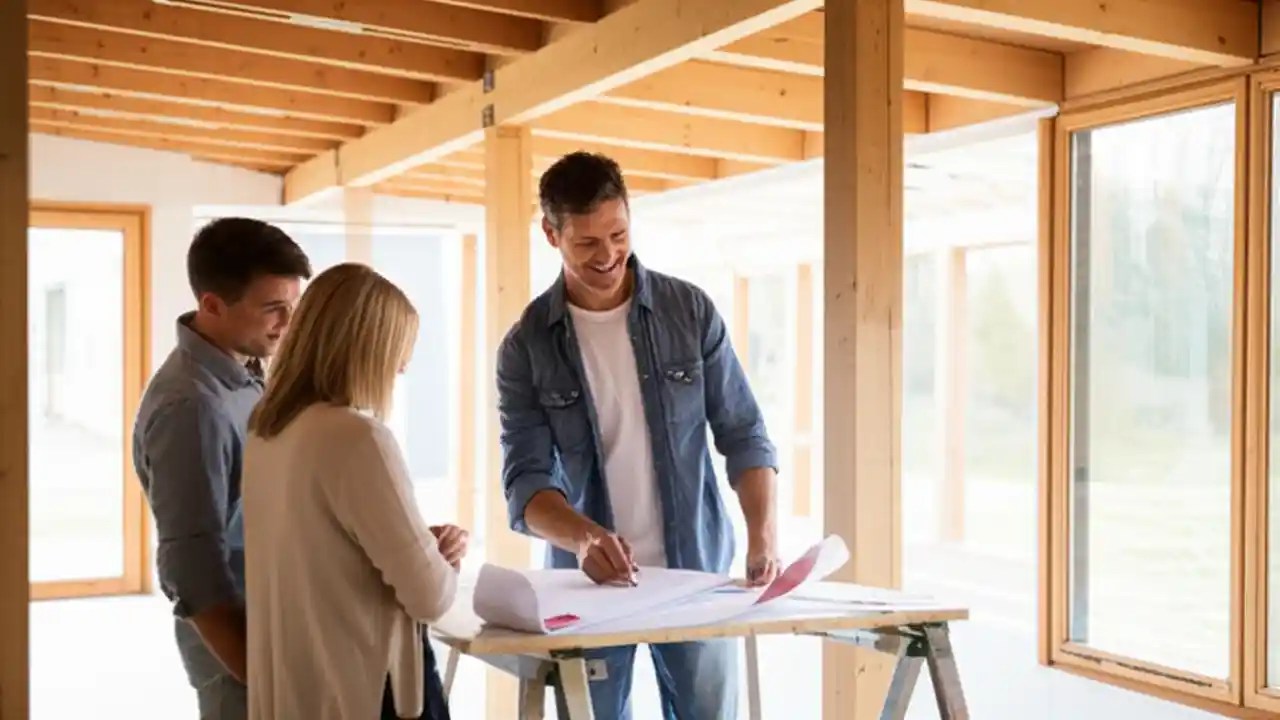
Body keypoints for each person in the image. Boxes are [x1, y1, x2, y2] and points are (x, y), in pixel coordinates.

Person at [495, 151, 781, 719]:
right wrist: (582, 539)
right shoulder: (525, 346)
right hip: (588, 593)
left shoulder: (689, 311)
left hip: (696, 574)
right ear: (551, 234)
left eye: (618, 234)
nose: (608, 256)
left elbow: (745, 434)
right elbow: (526, 487)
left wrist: (763, 536)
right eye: (586, 244)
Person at [242, 262, 465, 720]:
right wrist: (439, 558)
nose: (402, 368)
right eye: (398, 351)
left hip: (298, 689)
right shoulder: (359, 438)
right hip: (366, 689)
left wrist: (408, 539)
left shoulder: (268, 431)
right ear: (367, 349)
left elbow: (322, 551)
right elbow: (430, 597)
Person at [132, 217, 312, 719]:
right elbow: (193, 564)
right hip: (235, 641)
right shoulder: (192, 405)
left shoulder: (243, 369)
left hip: (269, 621)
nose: (288, 323)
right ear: (211, 305)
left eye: (293, 306)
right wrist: (257, 670)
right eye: (273, 309)